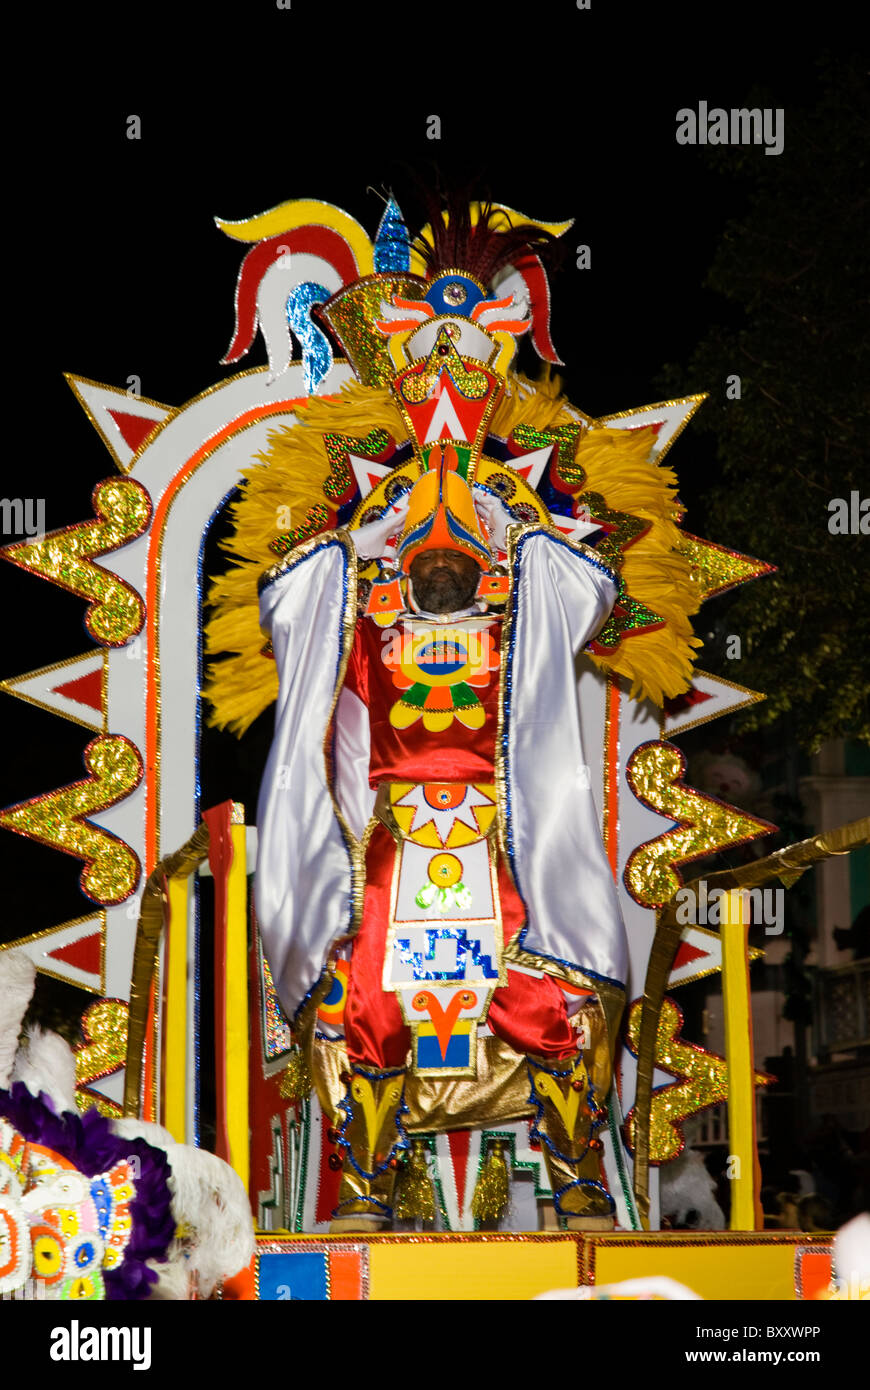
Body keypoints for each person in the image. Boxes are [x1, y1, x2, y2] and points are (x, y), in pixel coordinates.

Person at [255, 441, 628, 1231]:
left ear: (484, 567)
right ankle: (364, 1187)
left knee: (555, 988)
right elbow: (291, 605)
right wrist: (352, 546)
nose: (443, 568)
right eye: (425, 557)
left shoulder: (518, 640)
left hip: (500, 843)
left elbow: (588, 587)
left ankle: (578, 1179)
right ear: (402, 569)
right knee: (359, 996)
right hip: (397, 850)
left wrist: (518, 529)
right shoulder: (366, 642)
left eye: (461, 556)